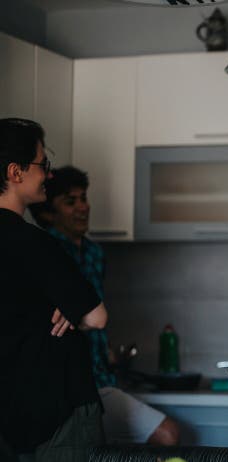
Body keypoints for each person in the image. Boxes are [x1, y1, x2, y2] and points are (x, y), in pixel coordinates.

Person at [29, 166, 180, 446]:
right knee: (166, 433)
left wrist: (107, 354)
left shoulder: (95, 253)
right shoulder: (48, 251)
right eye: (70, 201)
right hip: (72, 385)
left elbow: (93, 316)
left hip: (101, 376)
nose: (82, 207)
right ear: (49, 213)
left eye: (83, 198)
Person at [0, 118, 108, 462]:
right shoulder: (35, 243)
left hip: (10, 415)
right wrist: (70, 306)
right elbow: (96, 317)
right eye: (42, 164)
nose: (48, 174)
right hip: (56, 412)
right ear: (15, 173)